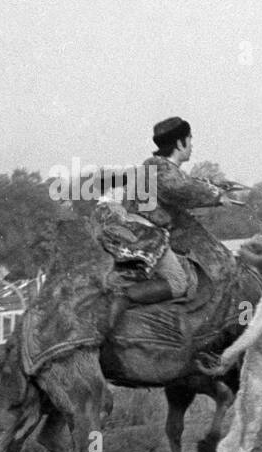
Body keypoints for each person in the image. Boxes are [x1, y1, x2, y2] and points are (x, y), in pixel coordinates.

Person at [103, 117, 243, 327]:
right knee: (180, 282)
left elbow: (183, 184)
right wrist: (216, 195)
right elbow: (180, 188)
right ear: (180, 143)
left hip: (146, 234)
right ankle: (124, 298)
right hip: (145, 238)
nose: (192, 145)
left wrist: (217, 186)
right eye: (190, 139)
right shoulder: (159, 169)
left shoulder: (158, 168)